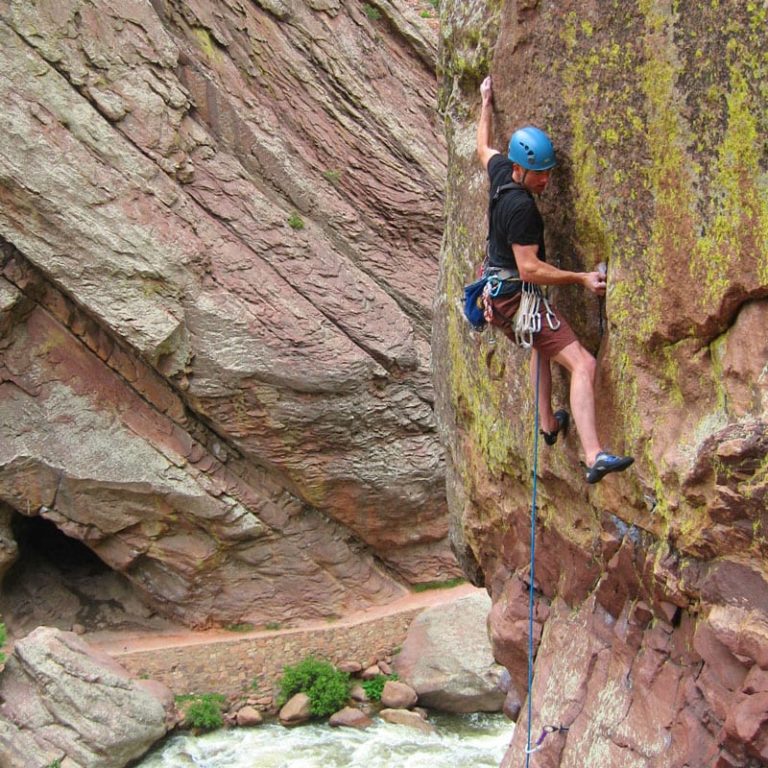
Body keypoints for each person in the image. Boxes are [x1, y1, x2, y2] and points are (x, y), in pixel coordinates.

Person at [476, 75, 633, 484]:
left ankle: (548, 424)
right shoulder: (522, 210)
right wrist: (580, 278)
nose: (545, 180)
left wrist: (486, 103)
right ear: (520, 170)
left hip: (498, 299)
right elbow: (530, 268)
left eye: (548, 173)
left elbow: (481, 147)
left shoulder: (499, 172)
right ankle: (594, 454)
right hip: (515, 297)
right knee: (583, 363)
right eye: (538, 174)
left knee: (541, 348)